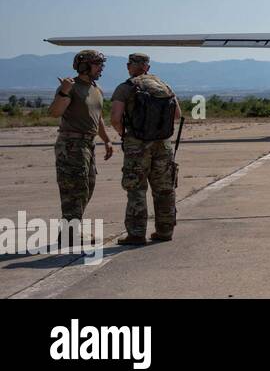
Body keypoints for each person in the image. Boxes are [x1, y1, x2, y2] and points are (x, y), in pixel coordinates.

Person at [109, 53, 180, 245]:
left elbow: (115, 119)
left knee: (136, 189)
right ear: (147, 67)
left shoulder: (126, 88)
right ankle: (165, 231)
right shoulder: (164, 86)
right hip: (163, 144)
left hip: (137, 145)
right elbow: (177, 115)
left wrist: (126, 135)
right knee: (165, 188)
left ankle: (137, 233)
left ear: (129, 66)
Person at [47, 50, 115, 229]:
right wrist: (63, 92)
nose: (101, 68)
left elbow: (97, 118)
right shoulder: (70, 87)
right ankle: (71, 233)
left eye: (101, 64)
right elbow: (54, 112)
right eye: (97, 64)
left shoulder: (96, 90)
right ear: (84, 66)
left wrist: (107, 140)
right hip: (71, 145)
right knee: (74, 190)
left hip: (87, 145)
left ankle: (71, 229)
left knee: (87, 187)